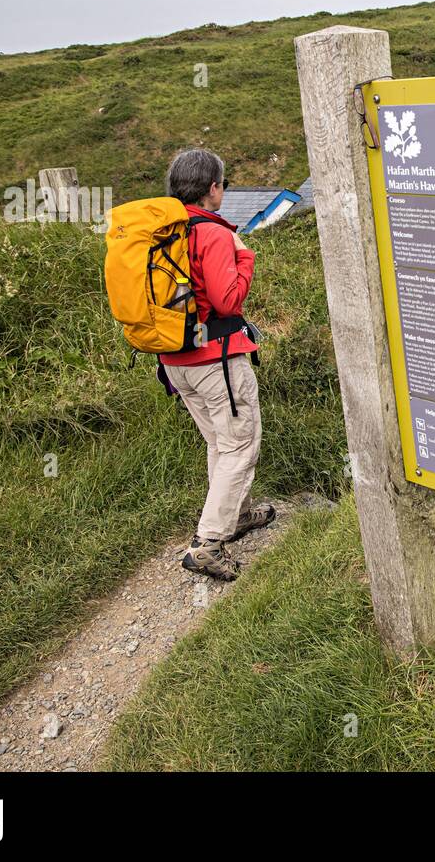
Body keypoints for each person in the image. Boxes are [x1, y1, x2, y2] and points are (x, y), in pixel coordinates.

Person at [160, 148, 275, 580]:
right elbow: (228, 300)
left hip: (175, 359)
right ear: (214, 188)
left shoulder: (164, 230)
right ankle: (207, 543)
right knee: (240, 444)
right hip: (216, 360)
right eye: (223, 184)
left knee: (220, 443)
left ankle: (237, 516)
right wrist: (246, 259)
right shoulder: (213, 234)